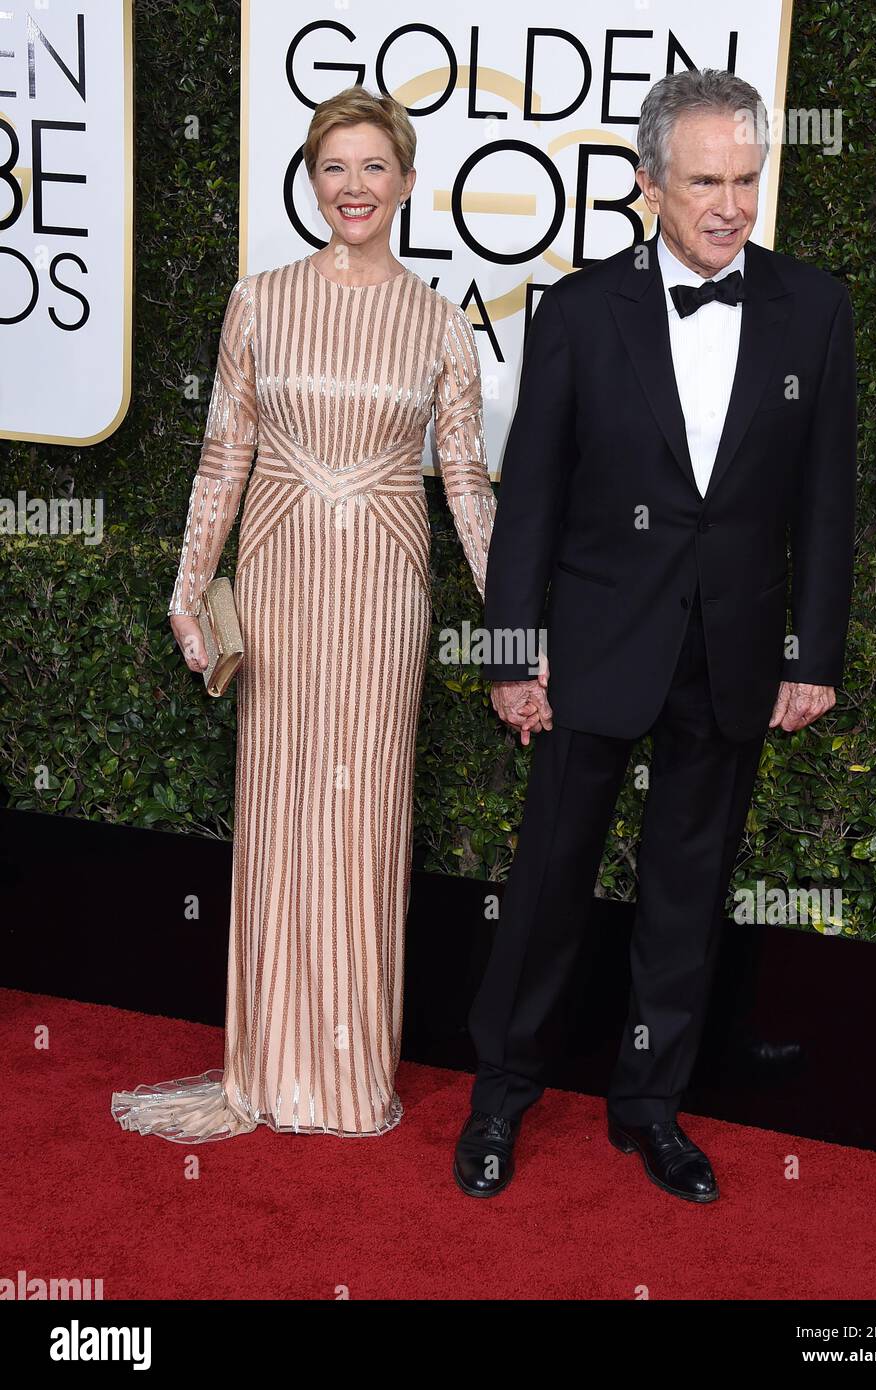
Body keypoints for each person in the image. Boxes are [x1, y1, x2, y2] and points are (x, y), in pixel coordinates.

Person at [453, 68, 857, 1200]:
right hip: (594, 643)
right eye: (704, 183)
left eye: (746, 180)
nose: (729, 205)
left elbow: (827, 500)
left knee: (689, 890)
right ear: (647, 186)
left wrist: (811, 653)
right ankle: (499, 1099)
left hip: (732, 651)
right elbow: (529, 495)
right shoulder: (582, 308)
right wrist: (507, 652)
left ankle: (650, 1108)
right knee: (548, 883)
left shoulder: (814, 307)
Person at [111, 85, 496, 1141]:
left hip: (383, 591)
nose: (355, 187)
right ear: (312, 181)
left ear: (409, 183)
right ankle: (271, 1064)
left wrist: (513, 625)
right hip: (278, 583)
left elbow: (464, 480)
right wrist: (188, 592)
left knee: (364, 813)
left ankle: (348, 1072)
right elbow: (223, 456)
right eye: (336, 167)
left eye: (376, 167)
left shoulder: (436, 321)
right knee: (281, 809)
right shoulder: (260, 300)